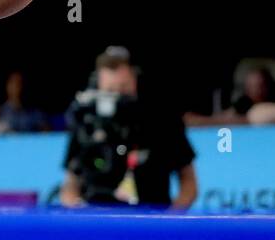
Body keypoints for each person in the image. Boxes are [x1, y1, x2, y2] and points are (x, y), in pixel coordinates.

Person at [59, 50, 198, 210]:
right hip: (98, 224)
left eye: (123, 88)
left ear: (135, 80)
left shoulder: (163, 120)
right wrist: (78, 211)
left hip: (150, 224)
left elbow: (189, 183)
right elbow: (70, 185)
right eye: (110, 90)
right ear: (98, 84)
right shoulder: (87, 123)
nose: (117, 96)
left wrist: (169, 219)